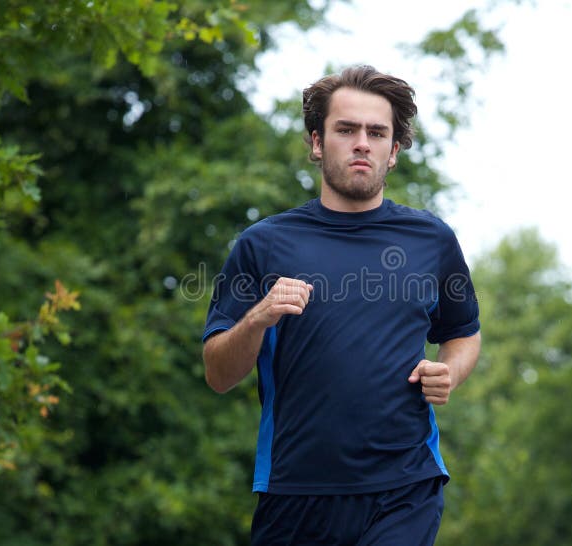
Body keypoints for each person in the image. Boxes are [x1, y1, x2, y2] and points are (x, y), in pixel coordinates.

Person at [202, 65, 481, 545]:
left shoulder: (431, 239)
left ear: (394, 151)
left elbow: (463, 333)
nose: (362, 144)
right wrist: (258, 318)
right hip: (294, 492)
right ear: (317, 142)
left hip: (404, 487)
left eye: (377, 133)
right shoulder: (262, 244)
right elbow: (218, 374)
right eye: (346, 130)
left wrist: (449, 373)